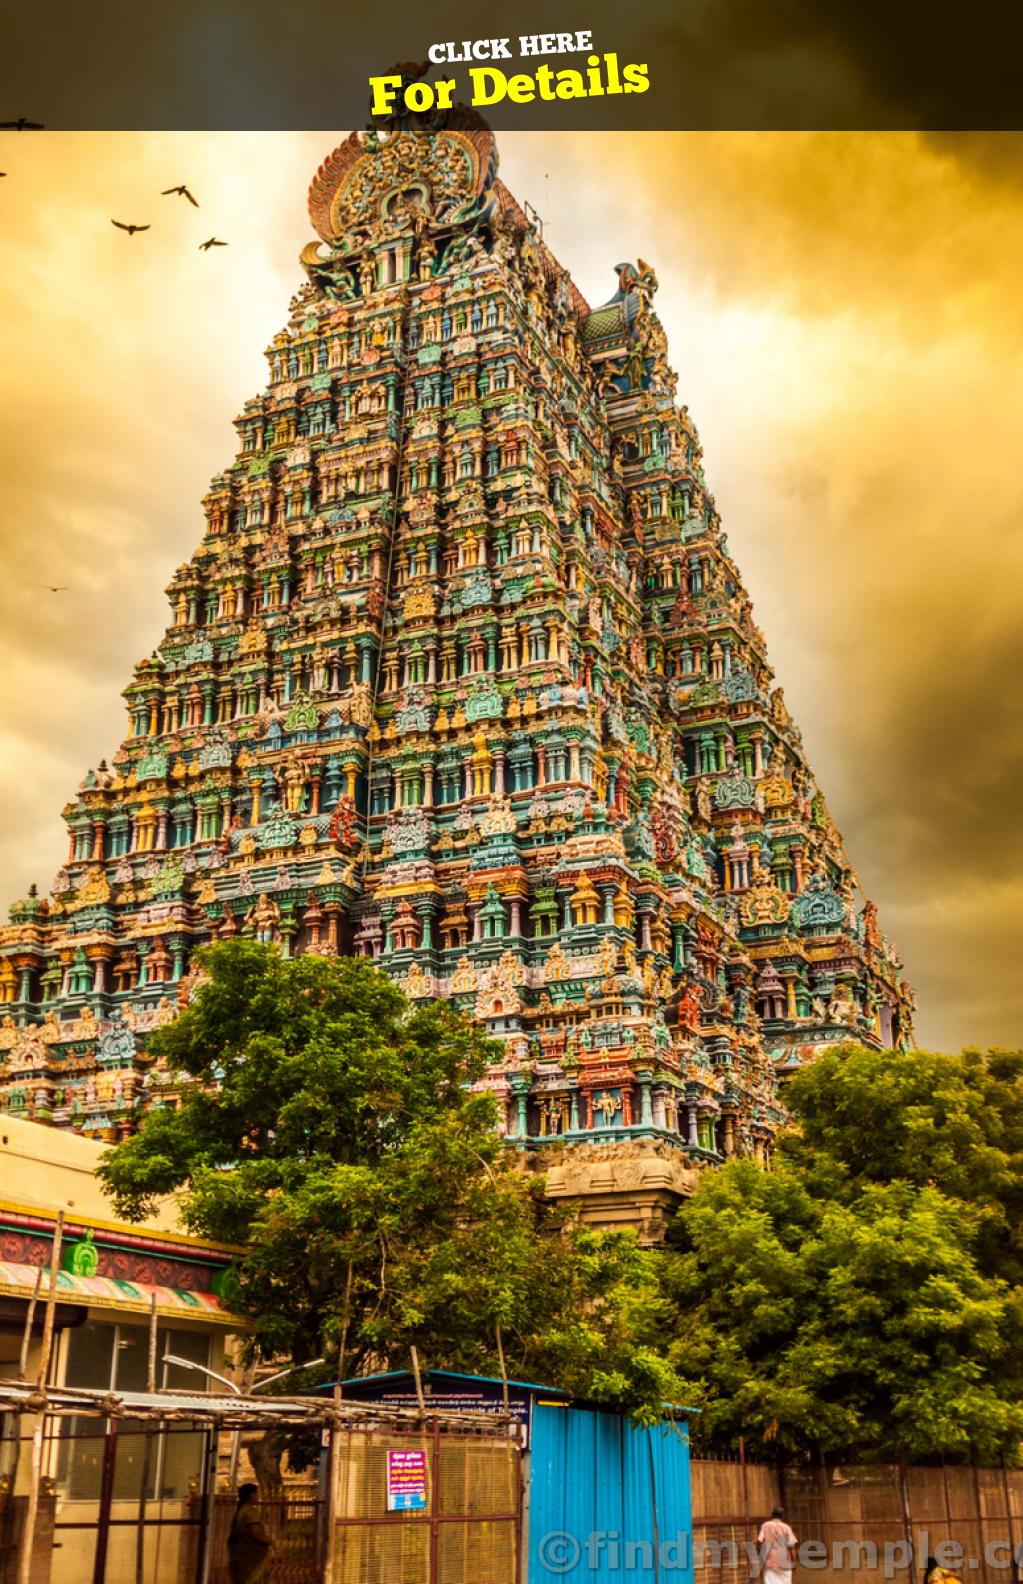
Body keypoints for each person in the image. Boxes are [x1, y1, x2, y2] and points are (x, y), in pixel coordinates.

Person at [227, 1483, 271, 1584]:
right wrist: (271, 1541)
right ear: (251, 1495)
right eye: (257, 1493)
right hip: (252, 1557)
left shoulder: (242, 1510)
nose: (258, 1495)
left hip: (242, 1556)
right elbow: (257, 1533)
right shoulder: (251, 1511)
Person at [758, 1506, 798, 1584]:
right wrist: (794, 1562)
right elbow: (791, 1547)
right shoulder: (786, 1528)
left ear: (772, 1515)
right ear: (782, 1516)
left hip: (769, 1561)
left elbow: (759, 1541)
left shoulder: (765, 1525)